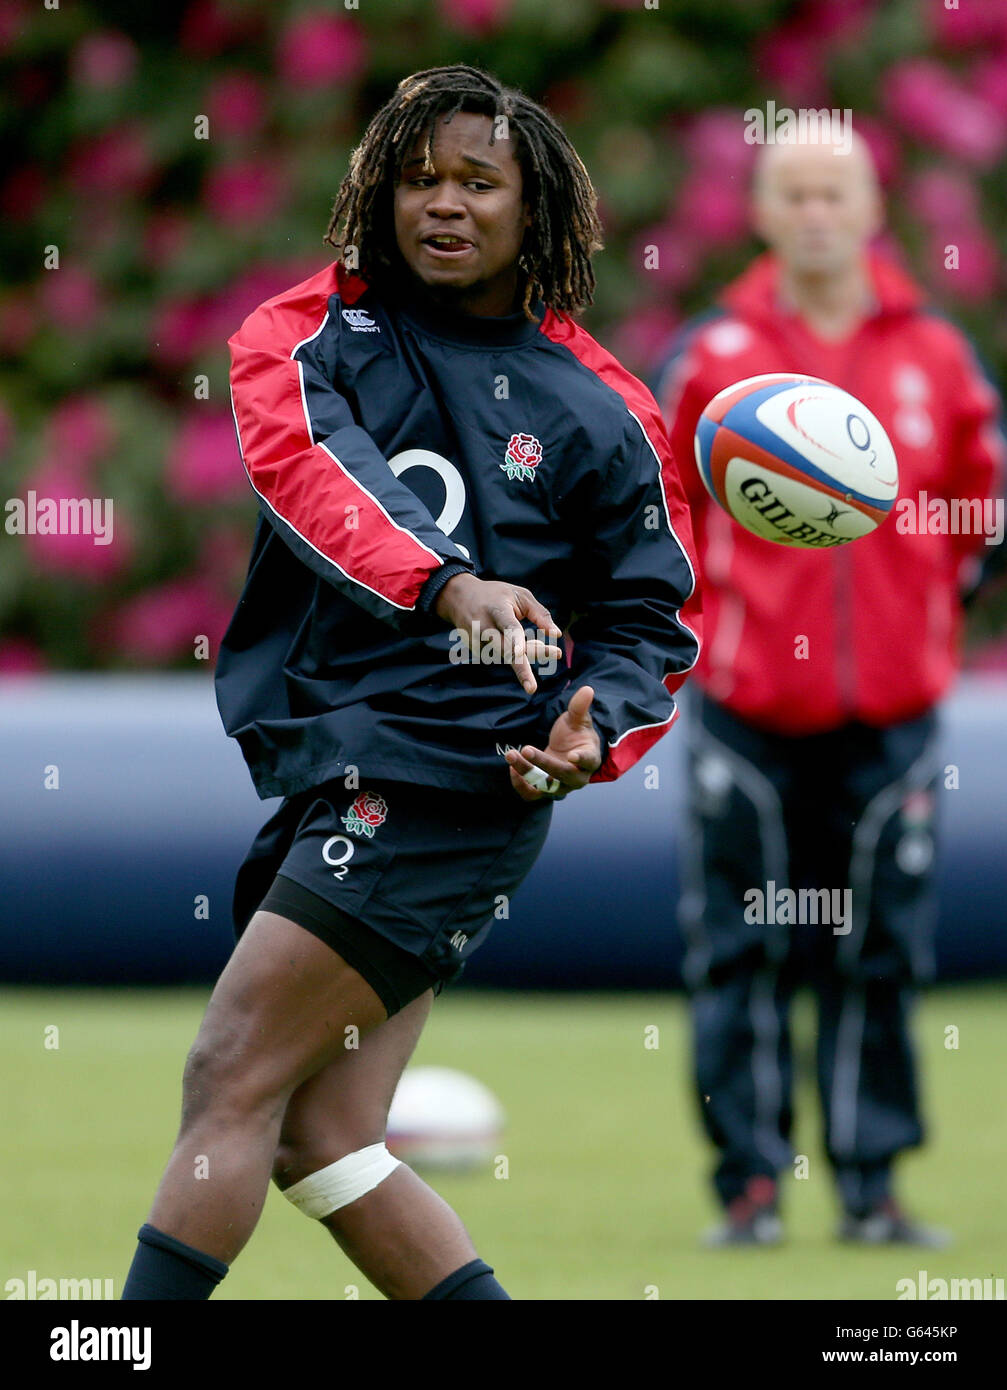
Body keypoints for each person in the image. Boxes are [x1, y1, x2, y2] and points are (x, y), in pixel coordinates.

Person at [120, 65, 701, 1301]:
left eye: (476, 183)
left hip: (448, 780)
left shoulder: (603, 409)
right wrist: (446, 584)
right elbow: (314, 476)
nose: (441, 203)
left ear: (530, 208)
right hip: (343, 760)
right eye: (416, 178)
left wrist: (599, 732)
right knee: (321, 1138)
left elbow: (650, 620)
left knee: (230, 1073)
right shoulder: (303, 336)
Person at [656, 131, 1003, 1246]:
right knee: (738, 949)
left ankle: (871, 1191)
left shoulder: (934, 356)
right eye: (791, 191)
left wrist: (928, 605)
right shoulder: (712, 354)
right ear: (760, 208)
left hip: (893, 718)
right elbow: (649, 516)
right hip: (744, 710)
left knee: (882, 951)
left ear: (868, 208)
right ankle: (749, 1190)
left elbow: (982, 508)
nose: (813, 211)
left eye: (833, 192)